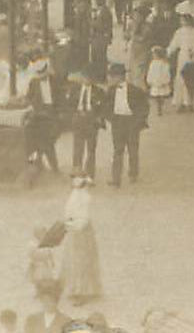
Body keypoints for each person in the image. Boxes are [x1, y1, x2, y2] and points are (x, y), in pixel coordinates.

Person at [104, 63, 149, 187]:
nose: (110, 79)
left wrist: (138, 121)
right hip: (117, 122)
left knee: (132, 149)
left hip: (131, 122)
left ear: (120, 77)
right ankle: (116, 178)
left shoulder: (135, 90)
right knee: (117, 150)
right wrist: (111, 118)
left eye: (113, 76)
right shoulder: (110, 91)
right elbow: (105, 106)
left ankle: (133, 174)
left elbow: (144, 107)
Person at [60, 175, 102, 304]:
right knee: (76, 261)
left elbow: (84, 218)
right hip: (76, 232)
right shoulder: (76, 197)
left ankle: (83, 291)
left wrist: (72, 225)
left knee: (82, 261)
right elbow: (70, 215)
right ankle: (77, 289)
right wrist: (70, 224)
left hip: (82, 233)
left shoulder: (84, 198)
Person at [67, 73, 105, 180]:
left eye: (90, 78)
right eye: (85, 77)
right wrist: (73, 115)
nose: (87, 80)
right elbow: (69, 105)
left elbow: (103, 107)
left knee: (91, 148)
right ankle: (77, 170)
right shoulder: (75, 89)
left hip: (91, 120)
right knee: (77, 147)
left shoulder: (99, 91)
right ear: (82, 78)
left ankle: (89, 173)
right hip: (78, 119)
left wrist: (98, 118)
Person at [145, 46, 173, 116]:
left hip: (161, 81)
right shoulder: (153, 63)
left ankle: (161, 105)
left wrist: (165, 80)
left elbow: (166, 72)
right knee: (156, 96)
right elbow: (150, 72)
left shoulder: (164, 63)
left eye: (155, 54)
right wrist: (149, 80)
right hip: (155, 81)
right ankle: (159, 108)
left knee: (162, 95)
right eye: (153, 54)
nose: (154, 56)